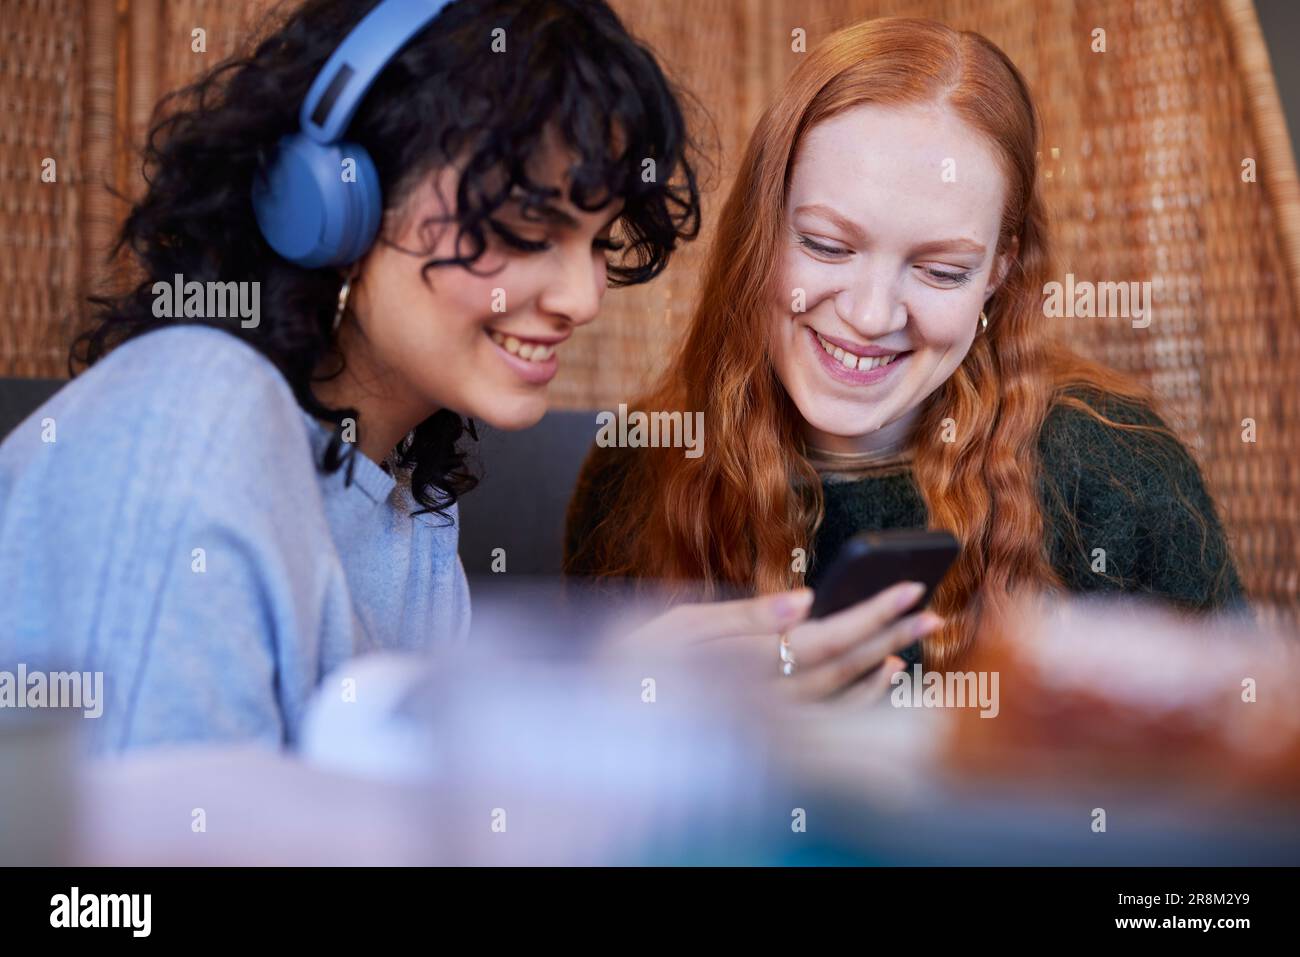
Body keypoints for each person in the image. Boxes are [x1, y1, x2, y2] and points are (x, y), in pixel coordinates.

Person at [0, 0, 701, 752]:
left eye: (599, 241)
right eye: (529, 229)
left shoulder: (410, 511)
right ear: (332, 202)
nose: (583, 297)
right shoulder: (189, 413)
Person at [564, 17, 1247, 678]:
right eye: (826, 246)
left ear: (997, 274)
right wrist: (624, 702)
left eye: (941, 271)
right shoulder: (638, 466)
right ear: (760, 231)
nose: (869, 314)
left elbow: (1236, 769)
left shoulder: (1119, 475)